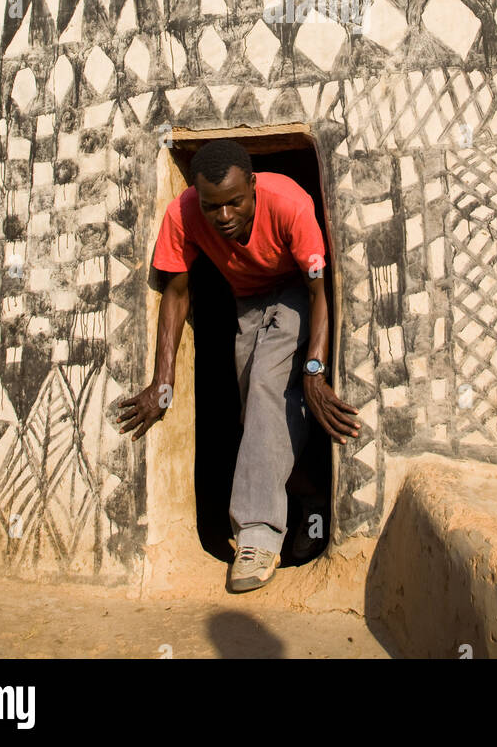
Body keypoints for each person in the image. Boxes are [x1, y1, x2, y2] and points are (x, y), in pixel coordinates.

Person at [118, 139, 360, 593]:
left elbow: (319, 291)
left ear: (253, 184)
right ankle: (308, 499)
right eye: (213, 207)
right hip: (246, 303)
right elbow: (175, 294)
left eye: (235, 202)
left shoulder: (290, 202)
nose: (224, 216)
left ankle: (257, 535)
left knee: (269, 386)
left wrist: (314, 369)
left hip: (294, 292)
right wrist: (161, 381)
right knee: (259, 418)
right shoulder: (182, 213)